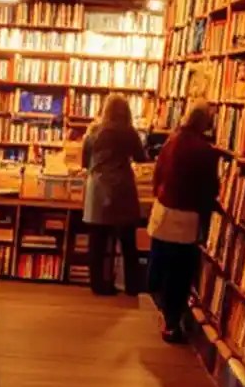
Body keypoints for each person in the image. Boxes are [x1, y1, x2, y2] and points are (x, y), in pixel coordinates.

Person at [148, 103, 220, 342]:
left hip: (163, 212)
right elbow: (209, 188)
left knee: (161, 265)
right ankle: (171, 322)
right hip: (185, 216)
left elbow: (157, 174)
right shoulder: (204, 150)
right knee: (180, 272)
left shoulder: (171, 141)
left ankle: (162, 310)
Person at [81, 94, 149, 296]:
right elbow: (140, 157)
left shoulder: (93, 132)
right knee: (128, 242)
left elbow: (85, 162)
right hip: (122, 190)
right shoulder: (129, 133)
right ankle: (132, 285)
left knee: (97, 242)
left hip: (98, 190)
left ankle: (97, 285)